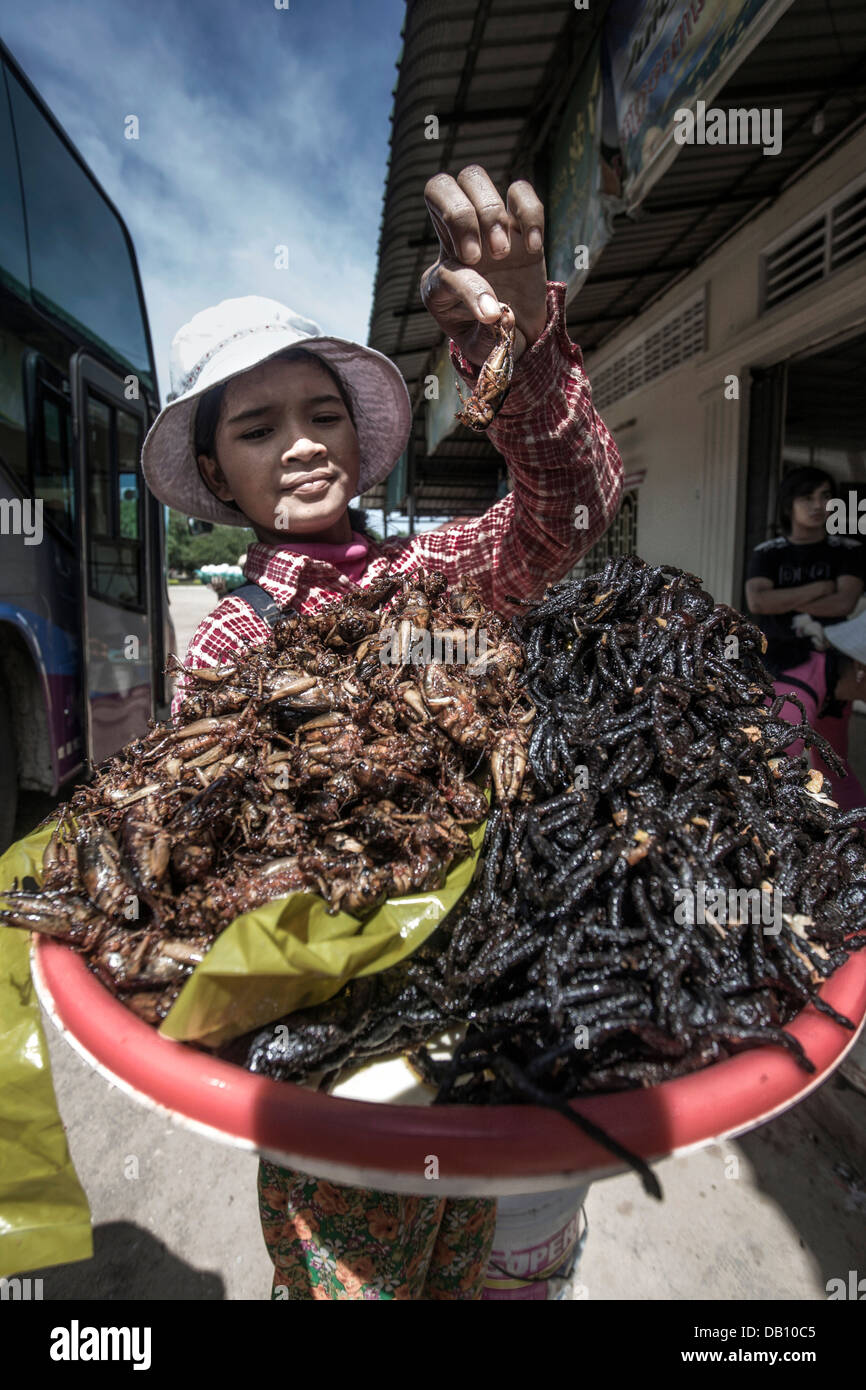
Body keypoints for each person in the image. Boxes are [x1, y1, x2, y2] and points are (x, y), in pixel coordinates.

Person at [141, 164, 623, 1300]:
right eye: (258, 428)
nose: (302, 445)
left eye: (323, 418)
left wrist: (524, 344)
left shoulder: (430, 571)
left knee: (514, 1272)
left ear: (360, 442)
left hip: (486, 1022)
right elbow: (206, 862)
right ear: (215, 470)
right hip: (339, 1056)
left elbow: (573, 503)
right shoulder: (224, 645)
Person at [745, 465, 866, 810]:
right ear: (788, 504)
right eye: (807, 497)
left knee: (834, 762)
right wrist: (820, 588)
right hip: (783, 666)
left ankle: (854, 839)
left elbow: (844, 601)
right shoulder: (768, 552)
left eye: (826, 496)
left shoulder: (848, 549)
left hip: (836, 668)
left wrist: (783, 598)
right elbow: (757, 601)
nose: (818, 504)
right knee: (781, 755)